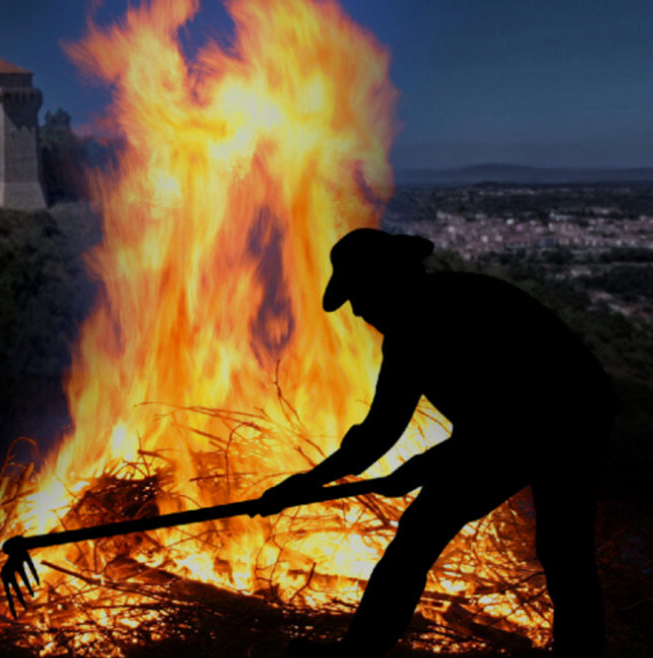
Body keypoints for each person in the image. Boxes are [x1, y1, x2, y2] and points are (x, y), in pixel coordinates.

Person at [260, 228, 616, 657]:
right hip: (510, 430)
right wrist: (306, 484)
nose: (356, 312)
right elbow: (378, 433)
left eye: (359, 295)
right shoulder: (409, 335)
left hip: (571, 421)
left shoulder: (461, 309)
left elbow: (509, 419)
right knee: (430, 535)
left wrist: (420, 468)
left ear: (386, 281)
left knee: (557, 550)